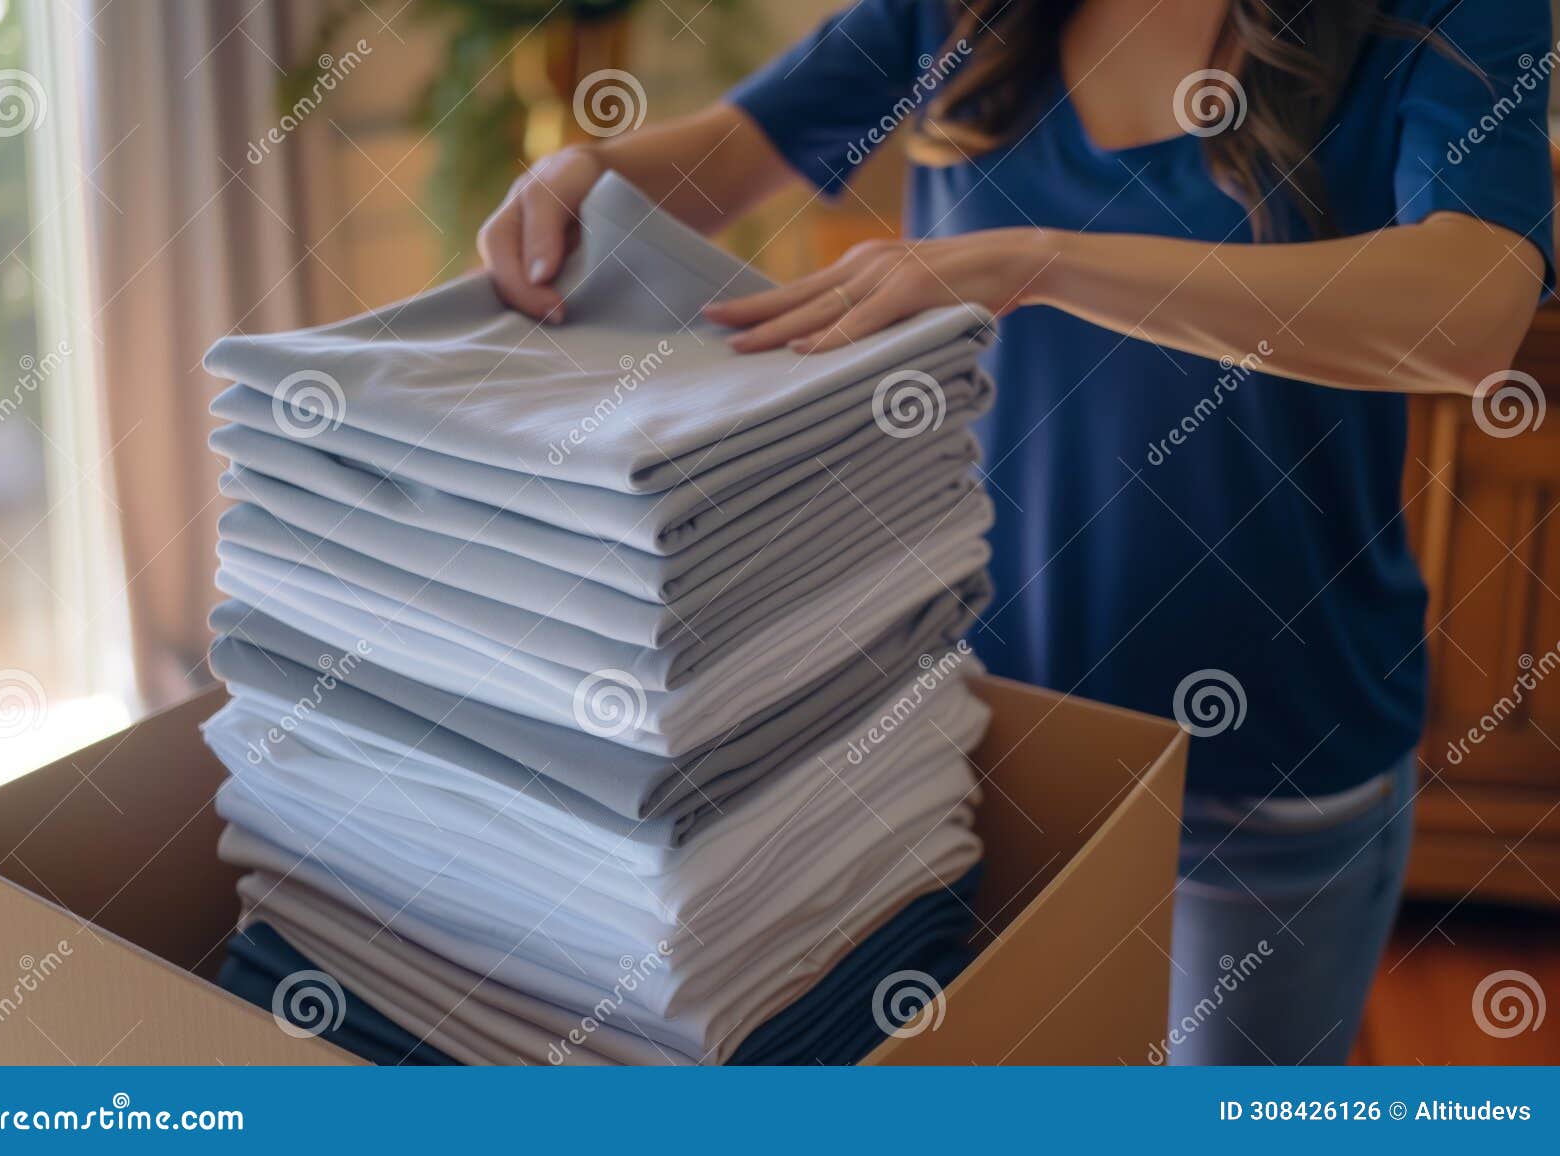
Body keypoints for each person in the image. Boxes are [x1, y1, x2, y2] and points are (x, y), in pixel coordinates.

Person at [477, 0, 1555, 1064]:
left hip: (1273, 759)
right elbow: (730, 153)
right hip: (977, 736)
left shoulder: (1451, 17)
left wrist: (1047, 262)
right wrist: (587, 177)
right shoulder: (950, 10)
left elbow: (1469, 308)